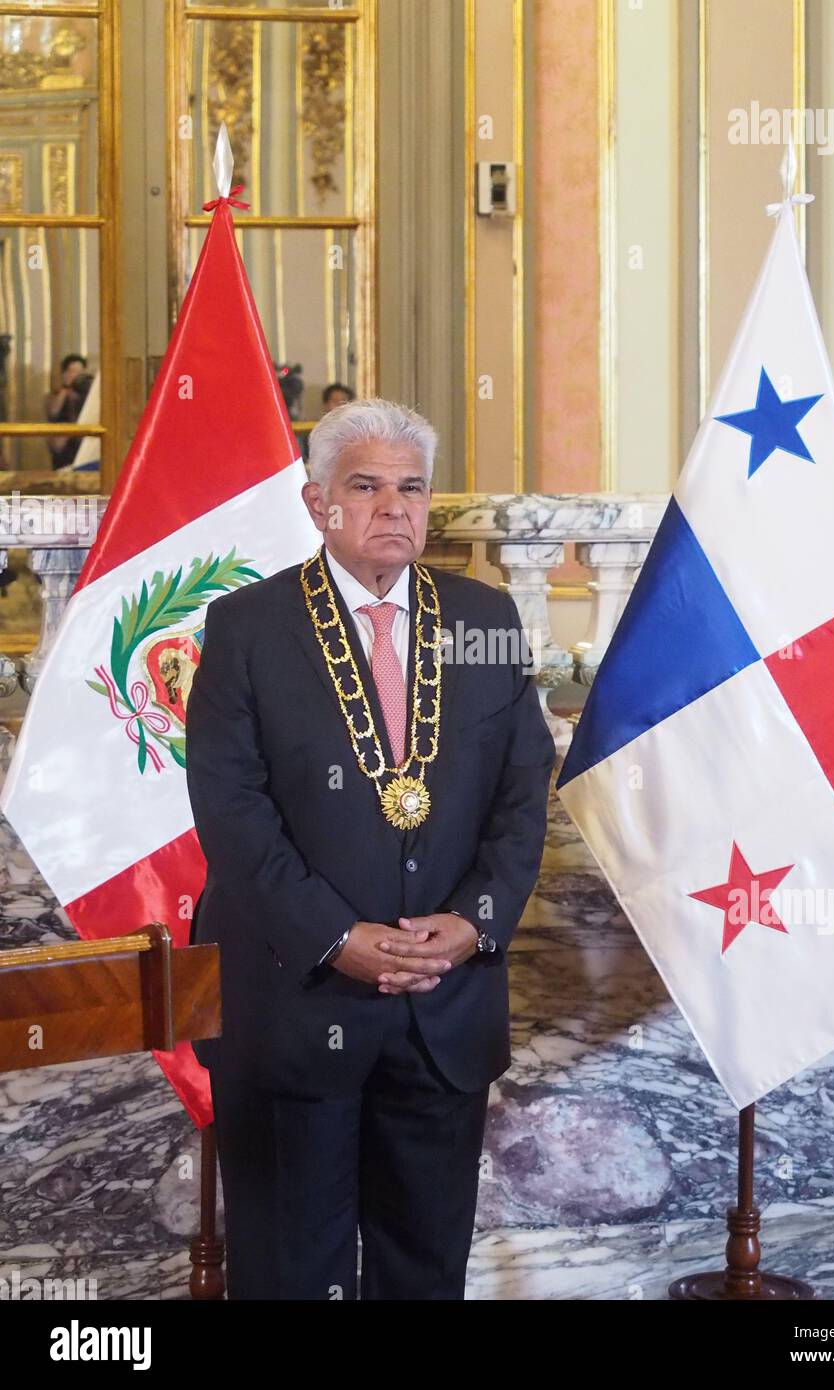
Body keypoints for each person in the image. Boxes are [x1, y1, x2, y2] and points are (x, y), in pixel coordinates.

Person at [185, 397, 555, 1300]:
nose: (394, 508)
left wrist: (473, 924)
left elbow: (519, 801)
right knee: (287, 1274)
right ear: (319, 505)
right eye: (366, 486)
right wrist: (332, 935)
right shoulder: (247, 629)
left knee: (424, 1272)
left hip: (445, 1006)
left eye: (411, 488)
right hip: (292, 1001)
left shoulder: (485, 619)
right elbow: (231, 813)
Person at [44, 353, 92, 470]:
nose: (77, 376)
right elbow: (53, 412)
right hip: (63, 457)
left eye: (81, 372)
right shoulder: (57, 395)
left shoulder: (86, 396)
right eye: (73, 371)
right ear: (64, 374)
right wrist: (66, 390)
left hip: (84, 454)